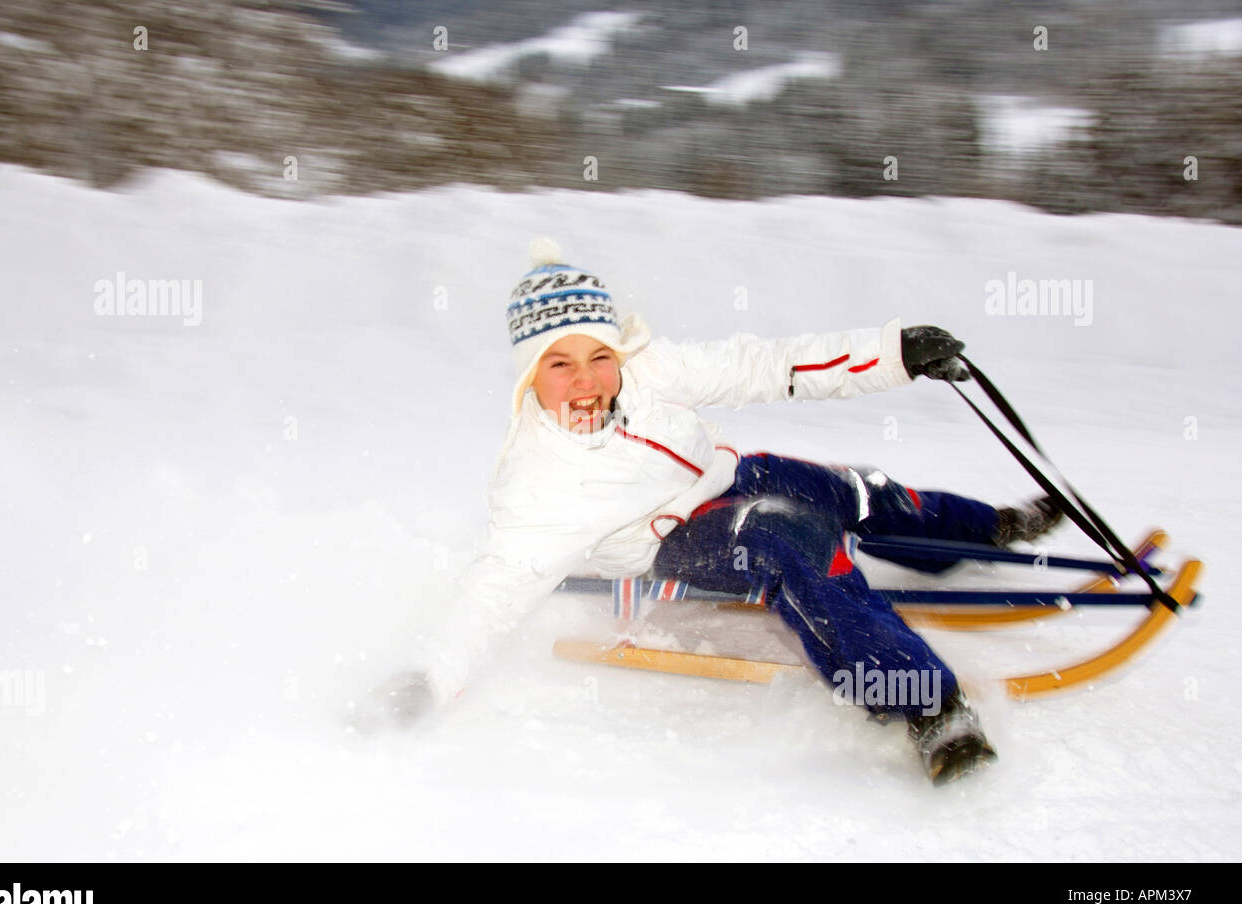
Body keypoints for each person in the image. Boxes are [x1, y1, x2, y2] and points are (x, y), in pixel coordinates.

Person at [364, 239, 1062, 785]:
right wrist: (426, 676)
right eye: (559, 364)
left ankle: (984, 529)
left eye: (598, 355)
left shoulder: (651, 371)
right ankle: (930, 710)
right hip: (677, 540)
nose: (587, 381)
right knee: (792, 542)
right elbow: (495, 585)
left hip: (732, 474)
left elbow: (771, 366)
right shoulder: (538, 482)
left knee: (857, 490)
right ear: (529, 375)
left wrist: (896, 353)